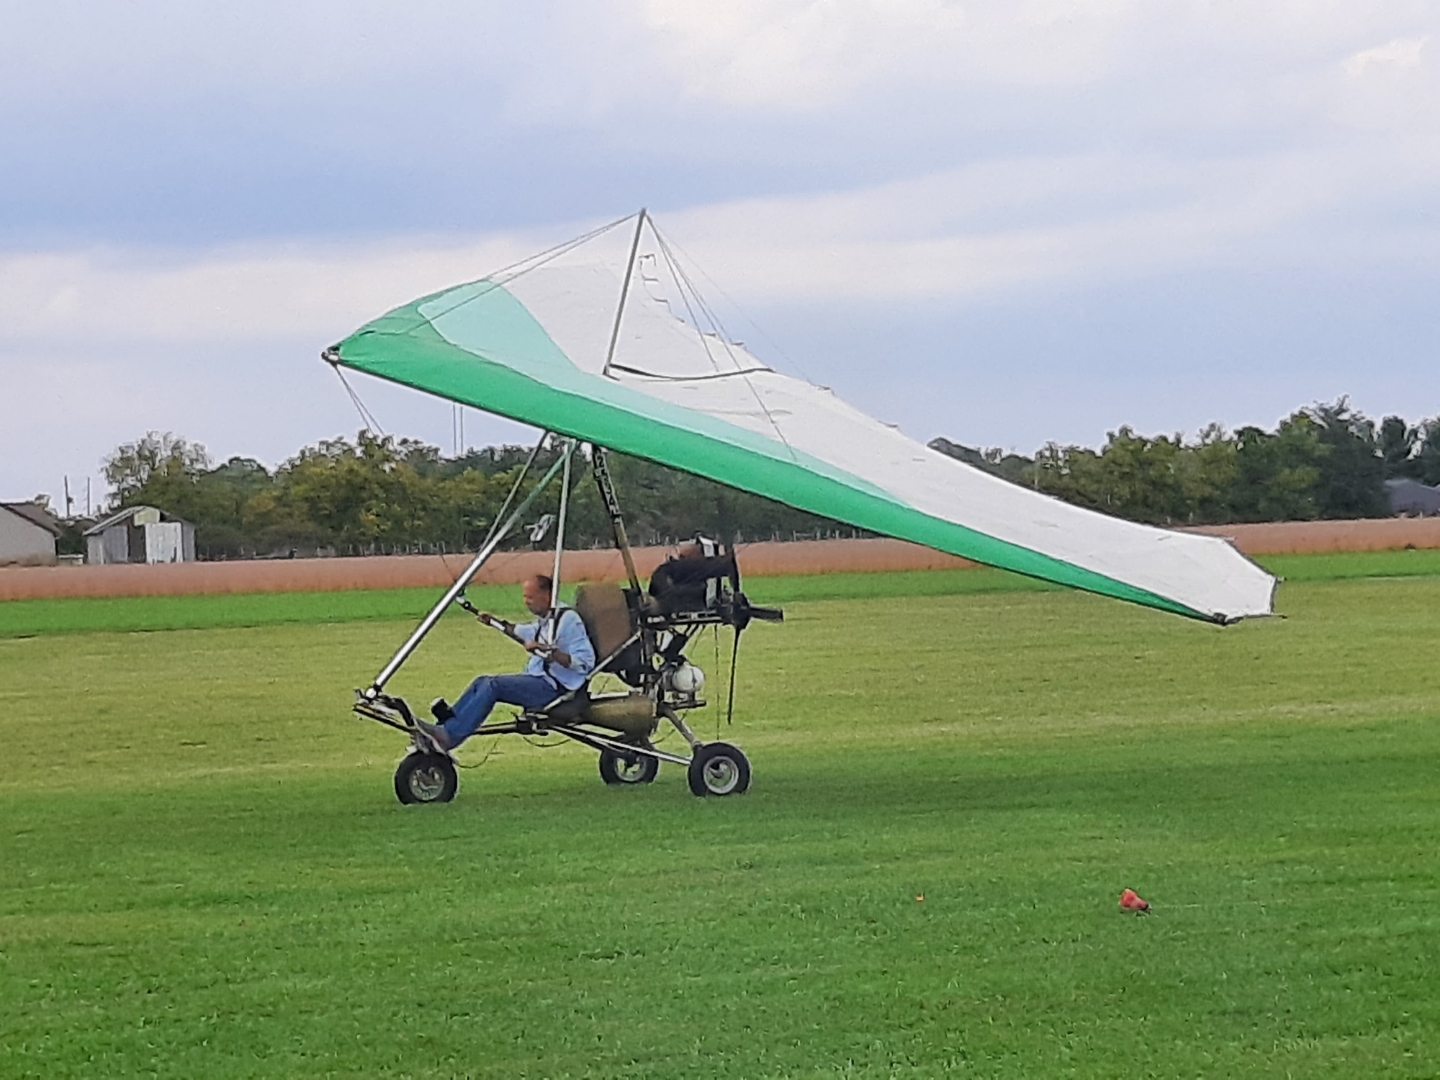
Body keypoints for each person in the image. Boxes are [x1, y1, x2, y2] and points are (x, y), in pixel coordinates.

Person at [417, 574, 595, 750]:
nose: (526, 602)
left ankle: (450, 736)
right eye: (525, 597)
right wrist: (494, 622)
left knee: (494, 685)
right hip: (541, 681)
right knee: (481, 681)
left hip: (556, 689)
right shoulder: (546, 620)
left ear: (547, 595)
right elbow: (522, 631)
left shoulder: (568, 620)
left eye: (530, 597)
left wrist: (550, 652)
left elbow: (585, 662)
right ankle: (445, 725)